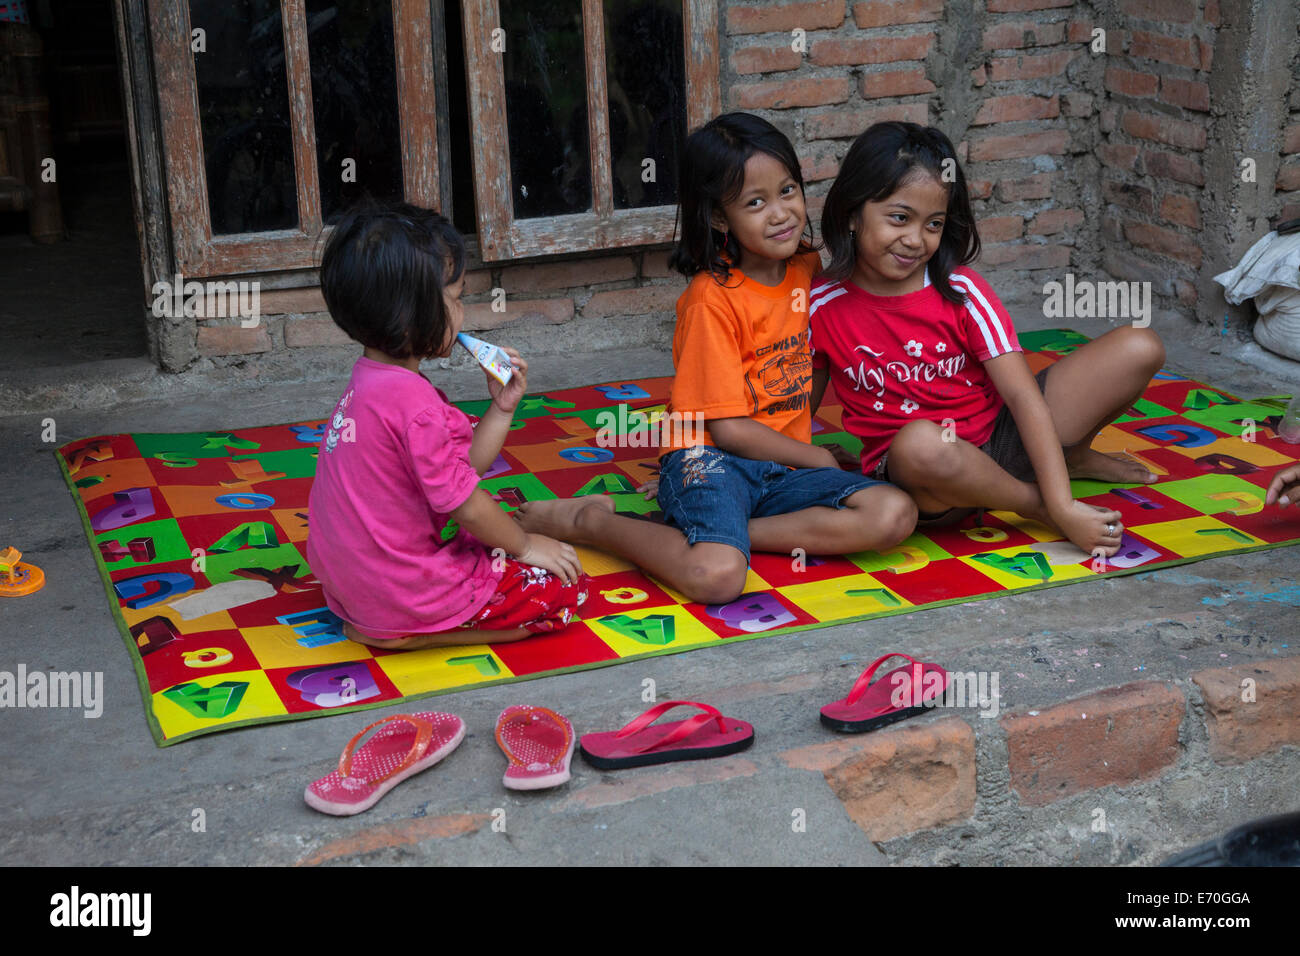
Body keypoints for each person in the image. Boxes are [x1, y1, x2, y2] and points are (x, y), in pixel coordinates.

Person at [518, 113, 917, 605]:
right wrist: (812, 455)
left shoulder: (807, 269)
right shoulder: (712, 301)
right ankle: (592, 520)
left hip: (778, 466)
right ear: (718, 217)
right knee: (718, 576)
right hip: (709, 458)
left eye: (788, 190)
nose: (781, 213)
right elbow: (726, 430)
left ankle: (723, 528)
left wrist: (799, 441)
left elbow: (813, 362)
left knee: (895, 513)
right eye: (756, 202)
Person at [810, 122, 1167, 558]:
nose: (915, 239)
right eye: (899, 218)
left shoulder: (960, 288)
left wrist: (1063, 496)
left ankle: (1068, 462)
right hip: (927, 479)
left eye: (933, 223)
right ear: (851, 211)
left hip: (999, 441)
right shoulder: (820, 305)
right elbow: (800, 402)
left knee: (1139, 345)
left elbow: (1022, 397)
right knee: (924, 442)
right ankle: (1033, 504)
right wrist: (1060, 509)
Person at [306, 201, 588, 650]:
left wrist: (501, 410)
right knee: (566, 591)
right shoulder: (417, 407)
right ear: (408, 314)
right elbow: (469, 506)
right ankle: (413, 635)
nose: (462, 314)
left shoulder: (369, 381)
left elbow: (460, 469)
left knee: (489, 542)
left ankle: (385, 619)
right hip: (402, 592)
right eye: (455, 299)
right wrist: (525, 547)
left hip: (349, 584)